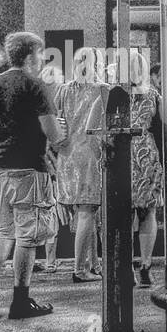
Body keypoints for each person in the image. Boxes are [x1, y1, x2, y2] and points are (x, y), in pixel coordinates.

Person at [0, 32, 67, 319]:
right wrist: (59, 131)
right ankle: (20, 301)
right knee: (28, 236)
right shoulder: (35, 86)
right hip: (27, 168)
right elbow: (53, 133)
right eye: (40, 54)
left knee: (1, 231)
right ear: (29, 56)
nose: (41, 59)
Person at [53, 50, 109, 283]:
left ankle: (94, 264)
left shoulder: (64, 89)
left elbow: (57, 122)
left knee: (87, 212)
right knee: (88, 212)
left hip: (67, 156)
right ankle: (79, 270)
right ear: (96, 63)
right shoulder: (102, 89)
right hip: (90, 154)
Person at [130, 61, 165, 287]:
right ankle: (145, 266)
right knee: (148, 212)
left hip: (121, 150)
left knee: (122, 216)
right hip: (146, 152)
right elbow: (164, 124)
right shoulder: (154, 94)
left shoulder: (114, 93)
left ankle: (124, 267)